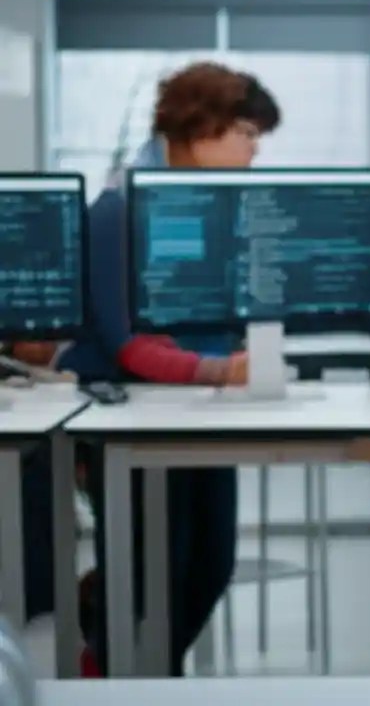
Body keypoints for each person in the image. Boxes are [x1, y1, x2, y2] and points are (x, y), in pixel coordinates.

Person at [56, 61, 279, 676]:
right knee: (152, 576)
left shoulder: (213, 208)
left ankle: (144, 670)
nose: (254, 149)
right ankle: (121, 671)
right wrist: (221, 370)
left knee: (208, 567)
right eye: (245, 132)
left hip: (204, 409)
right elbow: (130, 345)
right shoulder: (116, 210)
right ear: (197, 128)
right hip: (133, 419)